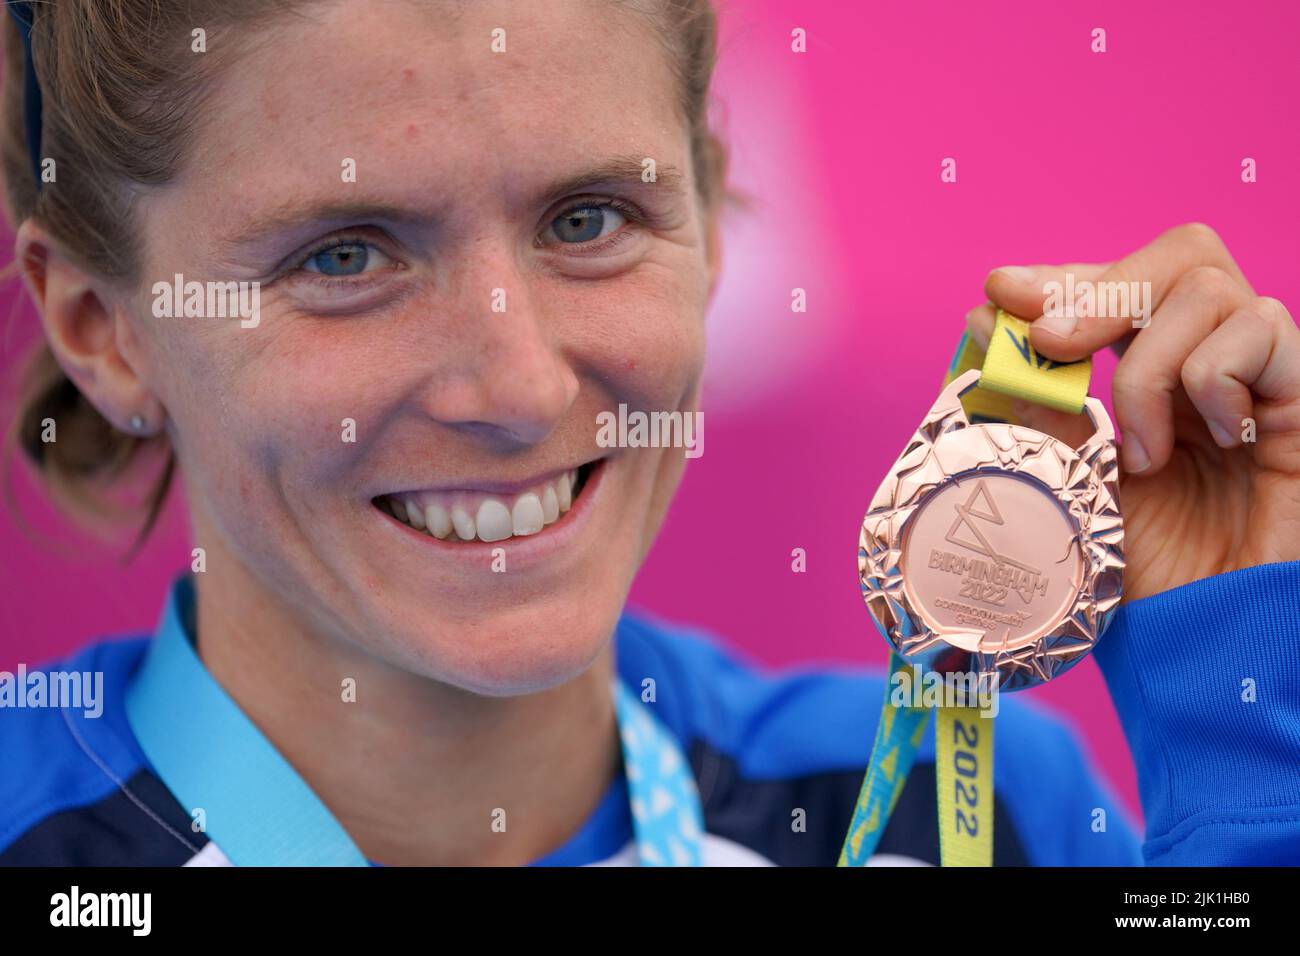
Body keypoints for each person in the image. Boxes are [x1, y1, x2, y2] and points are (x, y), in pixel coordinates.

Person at [1, 0, 1297, 867]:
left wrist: (1233, 728)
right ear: (99, 326)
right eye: (346, 255)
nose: (512, 386)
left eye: (587, 221)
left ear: (716, 224)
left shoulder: (964, 815)